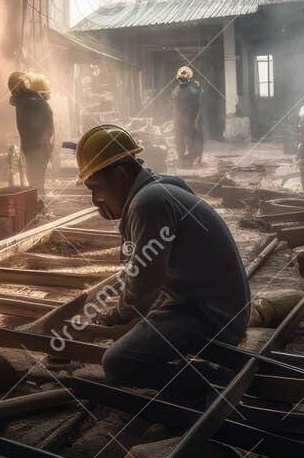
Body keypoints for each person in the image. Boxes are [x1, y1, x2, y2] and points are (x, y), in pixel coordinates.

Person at [69, 124, 249, 400]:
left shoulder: (148, 203)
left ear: (119, 174)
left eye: (97, 188)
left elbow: (145, 281)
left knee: (117, 363)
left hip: (211, 318)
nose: (96, 200)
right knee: (136, 332)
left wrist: (117, 315)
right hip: (215, 307)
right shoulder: (160, 189)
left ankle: (214, 383)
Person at [8, 70, 55, 204]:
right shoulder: (35, 102)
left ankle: (38, 204)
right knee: (37, 177)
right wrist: (49, 146)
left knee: (34, 177)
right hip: (39, 145)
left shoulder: (22, 101)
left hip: (32, 145)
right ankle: (39, 203)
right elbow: (48, 127)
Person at [170, 65, 204, 166]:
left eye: (184, 79)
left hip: (190, 117)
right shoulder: (176, 89)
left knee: (190, 138)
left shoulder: (194, 88)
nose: (182, 81)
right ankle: (181, 158)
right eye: (180, 79)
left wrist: (197, 117)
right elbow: (172, 102)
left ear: (188, 78)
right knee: (179, 138)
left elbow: (199, 103)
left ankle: (191, 158)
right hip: (179, 117)